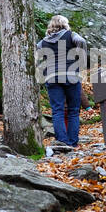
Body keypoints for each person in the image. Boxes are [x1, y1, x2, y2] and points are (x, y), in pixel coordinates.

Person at [35, 14, 87, 147]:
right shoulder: (71, 35)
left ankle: (62, 141)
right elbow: (82, 41)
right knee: (73, 110)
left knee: (57, 111)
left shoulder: (43, 42)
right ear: (64, 24)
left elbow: (36, 53)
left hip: (52, 77)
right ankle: (73, 142)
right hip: (71, 75)